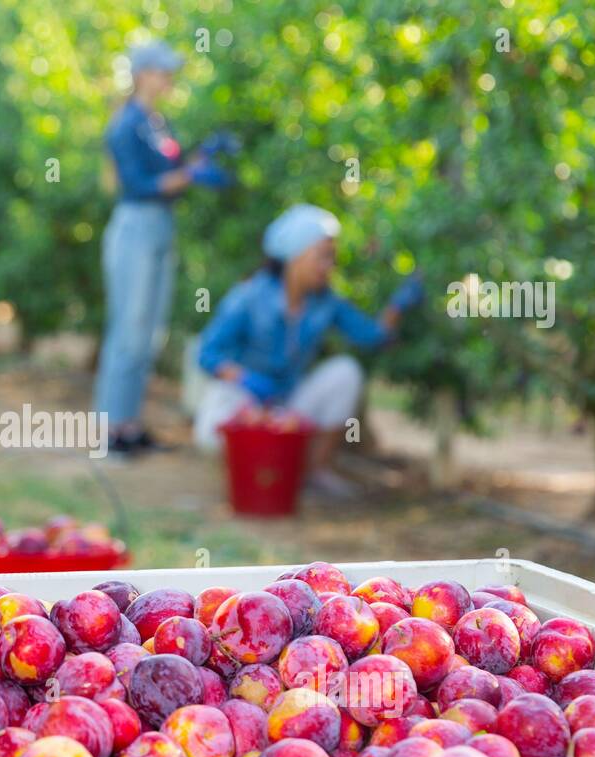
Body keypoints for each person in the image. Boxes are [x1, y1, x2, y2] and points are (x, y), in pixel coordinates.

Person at [193, 203, 424, 497]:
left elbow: (372, 336)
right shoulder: (249, 296)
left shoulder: (326, 302)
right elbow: (208, 353)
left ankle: (315, 470)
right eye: (323, 257)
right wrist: (243, 378)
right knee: (210, 433)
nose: (329, 266)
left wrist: (398, 306)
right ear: (296, 257)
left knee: (346, 372)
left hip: (289, 403)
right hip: (245, 399)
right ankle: (245, 475)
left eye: (332, 258)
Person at [94, 40, 232, 457]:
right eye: (162, 70)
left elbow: (171, 168)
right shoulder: (125, 125)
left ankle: (130, 425)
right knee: (128, 332)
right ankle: (108, 434)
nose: (169, 77)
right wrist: (192, 173)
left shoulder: (158, 121)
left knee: (151, 333)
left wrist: (199, 157)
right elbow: (138, 185)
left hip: (159, 228)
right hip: (135, 227)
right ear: (142, 74)